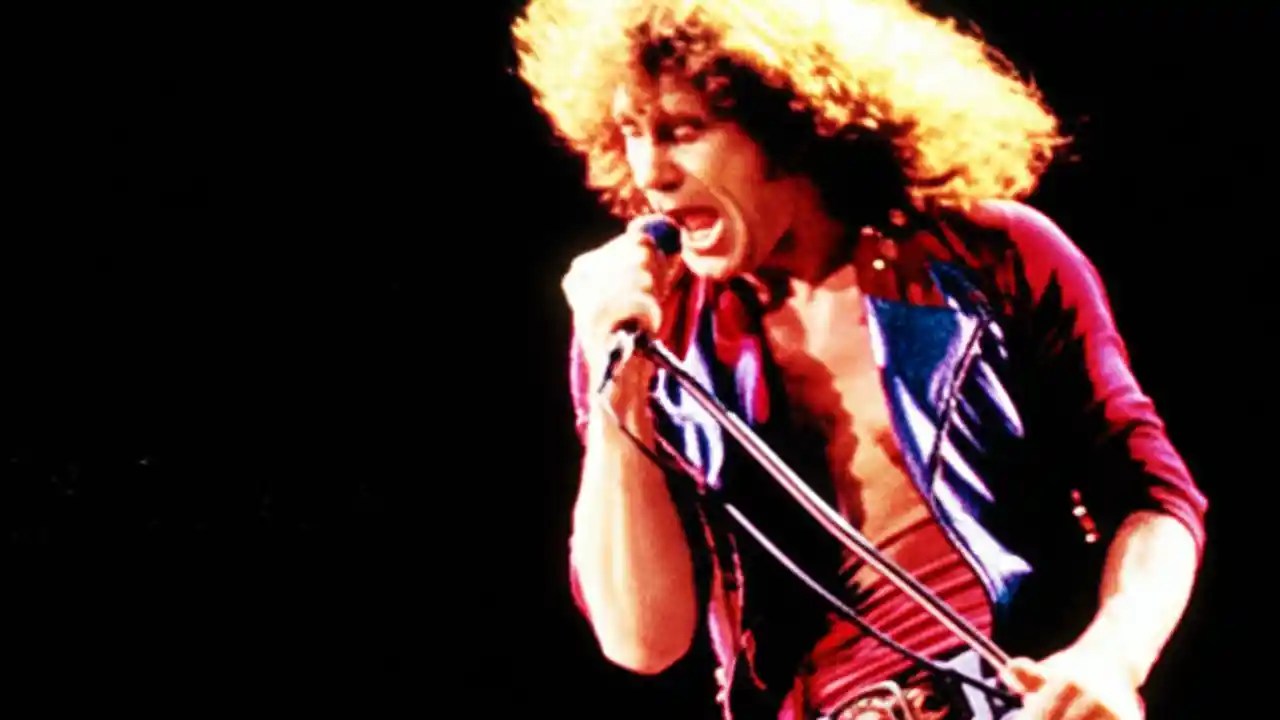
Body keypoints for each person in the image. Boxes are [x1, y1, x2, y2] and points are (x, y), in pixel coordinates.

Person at [510, 1, 1209, 718]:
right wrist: (615, 379)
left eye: (684, 131)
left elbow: (1153, 499)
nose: (650, 172)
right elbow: (641, 640)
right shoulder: (649, 328)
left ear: (789, 121)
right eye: (631, 132)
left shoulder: (993, 254)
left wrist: (1111, 657)